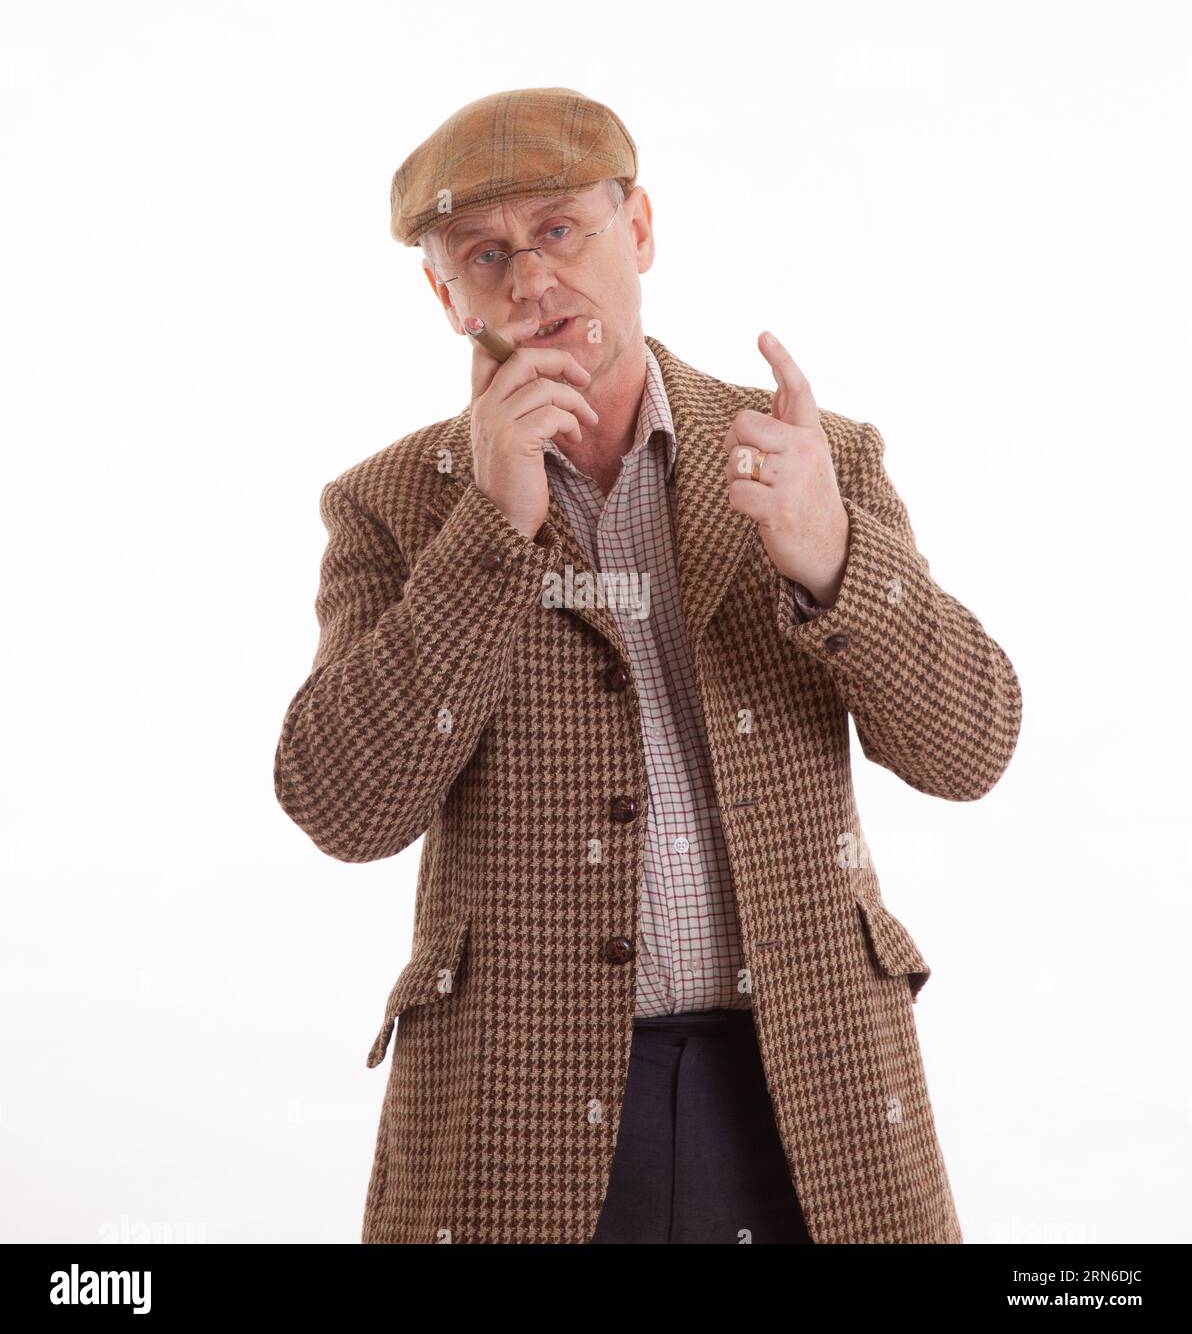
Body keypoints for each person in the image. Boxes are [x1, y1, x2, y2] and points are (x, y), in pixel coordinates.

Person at [273, 87, 1022, 1245]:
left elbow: (972, 747)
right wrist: (488, 532)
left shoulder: (807, 456)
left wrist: (831, 557)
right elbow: (343, 807)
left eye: (561, 229)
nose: (529, 280)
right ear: (444, 295)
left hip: (809, 1097)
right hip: (513, 1125)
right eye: (485, 254)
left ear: (642, 230)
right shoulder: (391, 508)